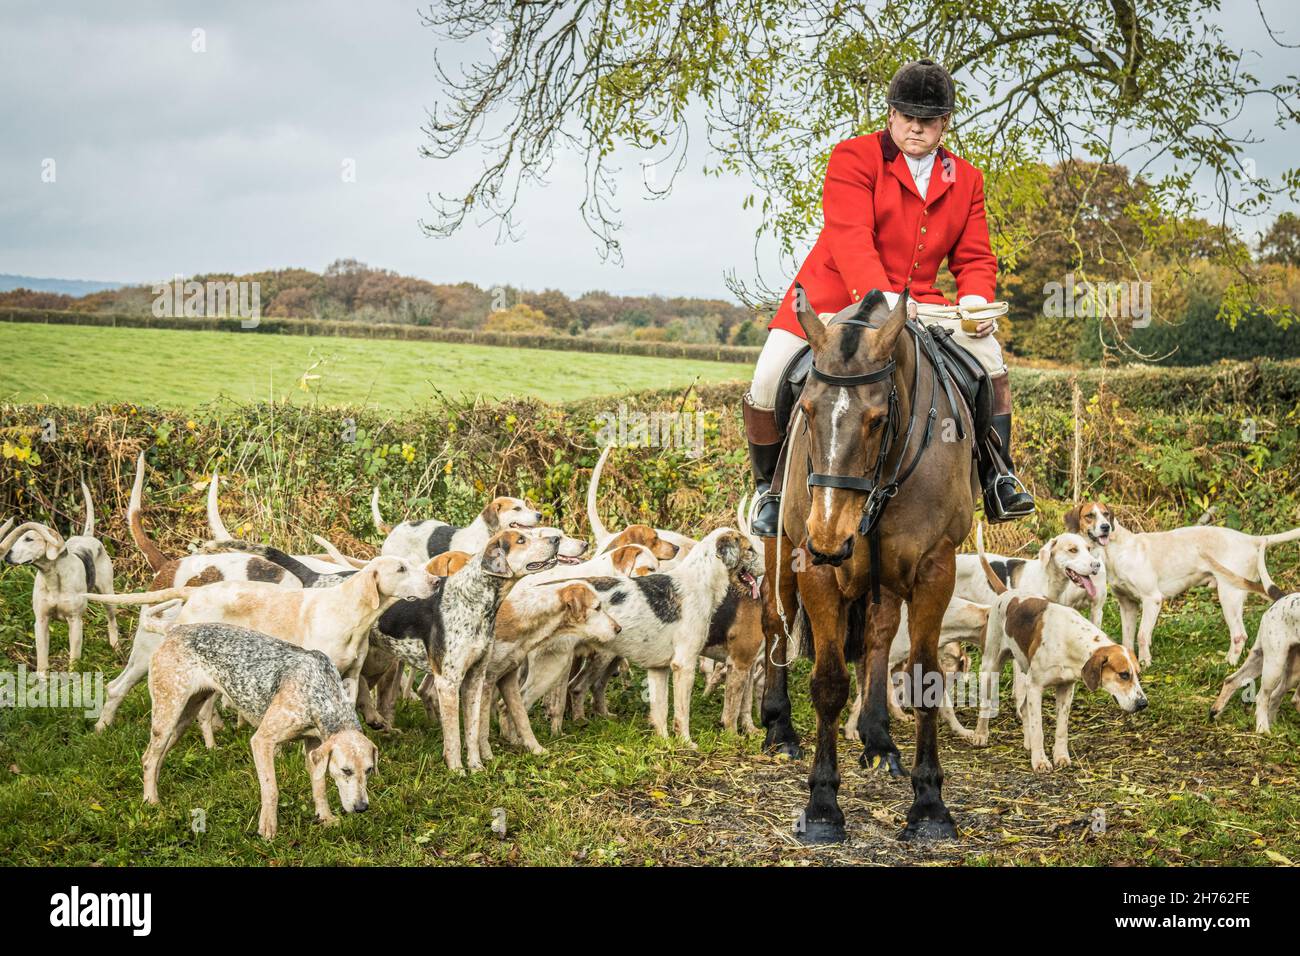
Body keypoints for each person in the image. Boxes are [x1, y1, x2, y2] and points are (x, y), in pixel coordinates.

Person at [743, 58, 1034, 537]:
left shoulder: (968, 180)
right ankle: (770, 490)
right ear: (891, 114)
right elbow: (850, 237)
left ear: (946, 122)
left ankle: (998, 474)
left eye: (928, 120)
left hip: (923, 301)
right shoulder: (853, 158)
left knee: (991, 363)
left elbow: (976, 257)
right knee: (769, 375)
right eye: (907, 116)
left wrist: (978, 302)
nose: (916, 127)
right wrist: (884, 302)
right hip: (837, 294)